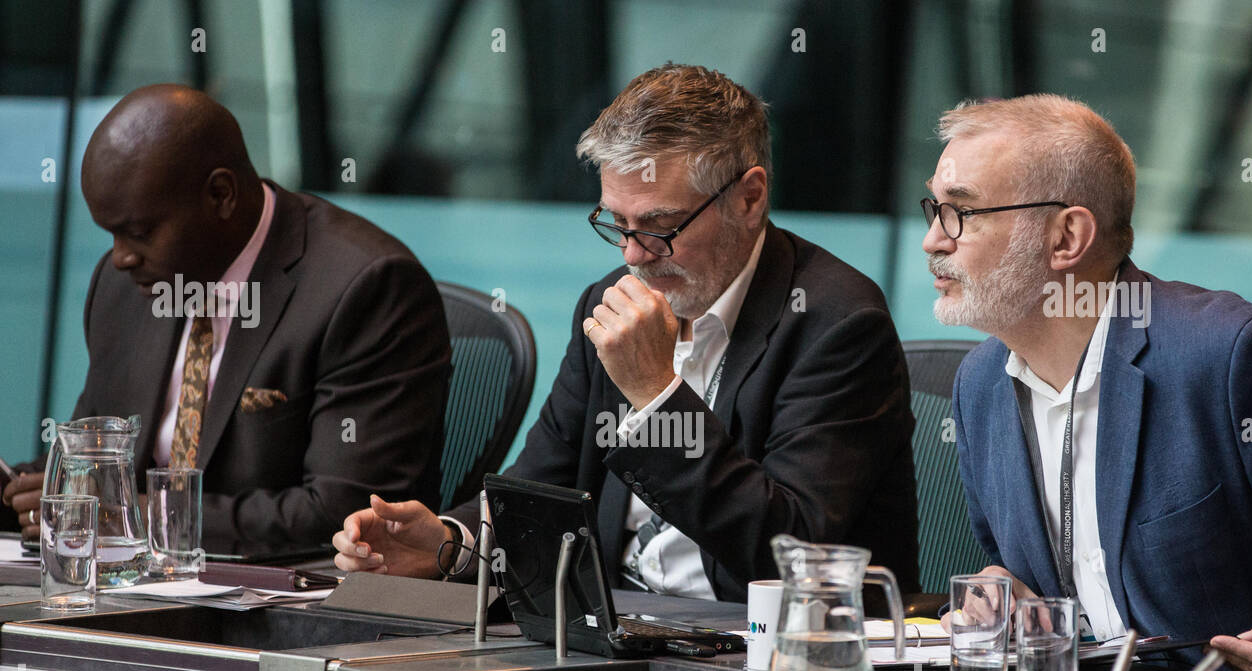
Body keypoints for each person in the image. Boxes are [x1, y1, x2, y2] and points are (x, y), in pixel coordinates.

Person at [333, 64, 919, 602]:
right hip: (620, 627)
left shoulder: (835, 323)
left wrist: (656, 396)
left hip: (762, 649)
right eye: (618, 224)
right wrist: (451, 545)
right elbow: (543, 485)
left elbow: (790, 551)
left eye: (661, 226)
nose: (635, 255)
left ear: (750, 197)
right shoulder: (609, 300)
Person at [925, 94, 1252, 671]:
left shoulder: (1229, 356)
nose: (934, 240)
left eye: (962, 213)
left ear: (1066, 237)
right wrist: (1006, 596)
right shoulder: (980, 387)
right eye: (934, 209)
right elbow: (1038, 583)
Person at [0, 84, 450, 554]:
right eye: (110, 233)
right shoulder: (125, 288)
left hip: (285, 606)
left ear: (220, 195)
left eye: (137, 231)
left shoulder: (367, 289)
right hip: (131, 589)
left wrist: (137, 515)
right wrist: (30, 494)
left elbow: (346, 514)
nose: (119, 258)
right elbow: (96, 474)